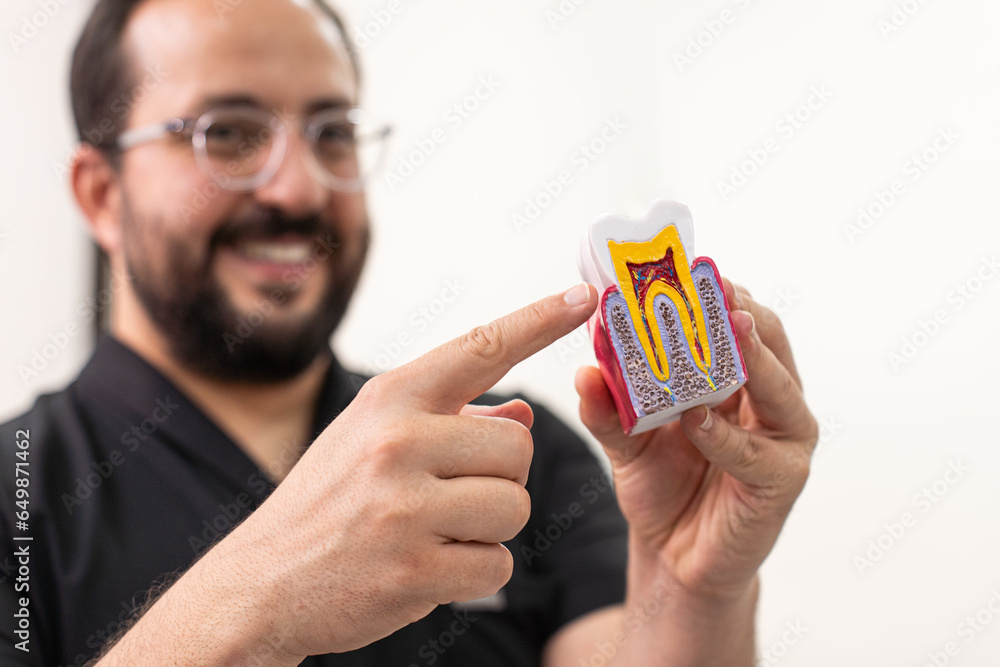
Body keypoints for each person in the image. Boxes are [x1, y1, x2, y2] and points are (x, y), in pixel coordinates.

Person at [0, 0, 818, 664]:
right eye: (231, 133)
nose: (298, 188)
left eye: (332, 133)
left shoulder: (510, 446)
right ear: (101, 193)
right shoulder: (18, 493)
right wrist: (253, 603)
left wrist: (693, 587)